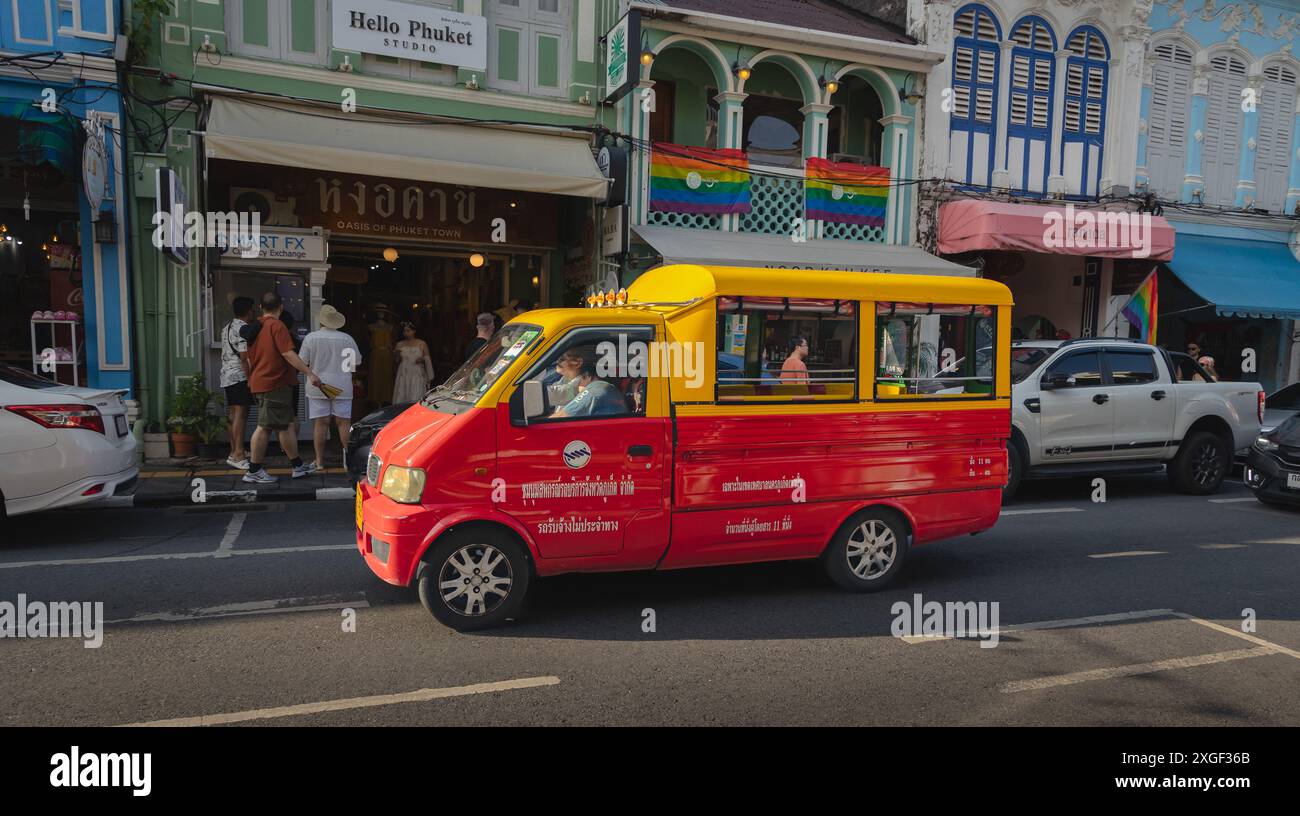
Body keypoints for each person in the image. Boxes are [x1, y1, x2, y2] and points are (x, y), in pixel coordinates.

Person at [243, 292, 321, 484]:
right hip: (274, 382)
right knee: (265, 427)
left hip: (262, 381)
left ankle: (297, 466)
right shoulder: (276, 326)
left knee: (283, 425)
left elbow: (246, 356)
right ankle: (253, 470)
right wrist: (309, 372)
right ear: (281, 307)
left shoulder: (256, 326)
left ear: (261, 307)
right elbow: (288, 353)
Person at [299, 303, 361, 472]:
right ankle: (348, 461)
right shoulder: (347, 339)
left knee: (321, 423)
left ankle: (319, 461)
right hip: (342, 385)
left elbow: (302, 362)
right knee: (343, 423)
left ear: (321, 321)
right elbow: (355, 363)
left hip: (318, 385)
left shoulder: (311, 338)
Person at [220, 296, 255, 470]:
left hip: (226, 376)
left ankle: (233, 451)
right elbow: (244, 357)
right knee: (241, 414)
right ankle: (239, 454)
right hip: (239, 376)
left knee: (233, 414)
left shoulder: (227, 327)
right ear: (249, 311)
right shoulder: (243, 329)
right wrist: (250, 379)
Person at [551, 361, 626, 417]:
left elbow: (561, 416)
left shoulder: (596, 389)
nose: (575, 387)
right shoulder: (606, 388)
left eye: (576, 382)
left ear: (587, 376)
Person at [392, 321, 434, 403]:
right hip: (404, 372)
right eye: (404, 331)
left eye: (408, 331)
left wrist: (422, 360)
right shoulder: (399, 344)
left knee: (416, 392)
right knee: (402, 392)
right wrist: (397, 355)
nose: (406, 333)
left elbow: (427, 359)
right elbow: (396, 361)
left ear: (414, 331)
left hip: (416, 372)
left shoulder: (421, 343)